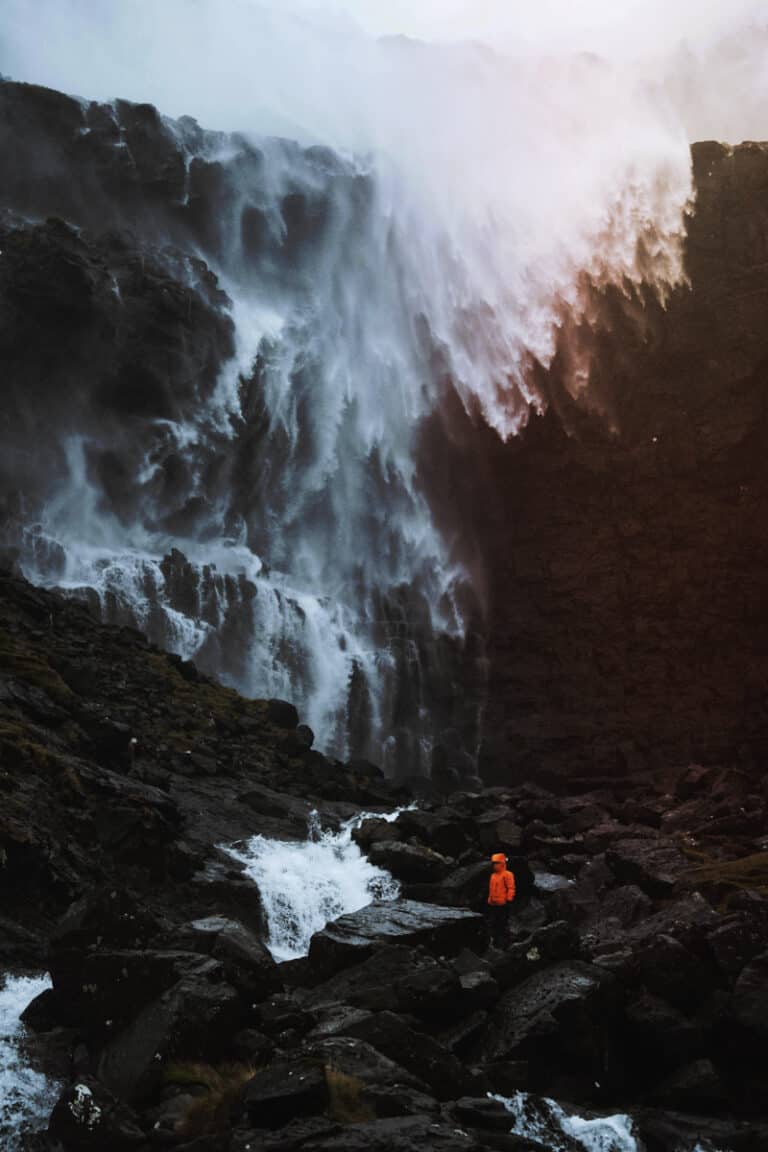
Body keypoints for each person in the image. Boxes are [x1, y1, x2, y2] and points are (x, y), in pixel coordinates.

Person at [487, 852, 515, 947]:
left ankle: (505, 943)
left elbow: (511, 888)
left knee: (503, 923)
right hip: (494, 903)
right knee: (494, 923)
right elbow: (491, 889)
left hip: (503, 904)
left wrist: (509, 899)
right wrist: (490, 900)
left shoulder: (507, 875)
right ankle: (494, 942)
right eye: (494, 863)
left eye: (496, 863)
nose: (494, 865)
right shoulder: (493, 876)